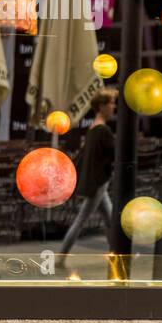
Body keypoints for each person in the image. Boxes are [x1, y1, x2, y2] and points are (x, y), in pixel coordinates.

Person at [59, 89, 117, 261]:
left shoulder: (93, 129)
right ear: (101, 106)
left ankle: (117, 255)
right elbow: (116, 154)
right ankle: (61, 256)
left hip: (97, 182)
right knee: (81, 220)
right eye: (111, 103)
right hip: (98, 182)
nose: (114, 107)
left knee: (110, 219)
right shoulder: (103, 131)